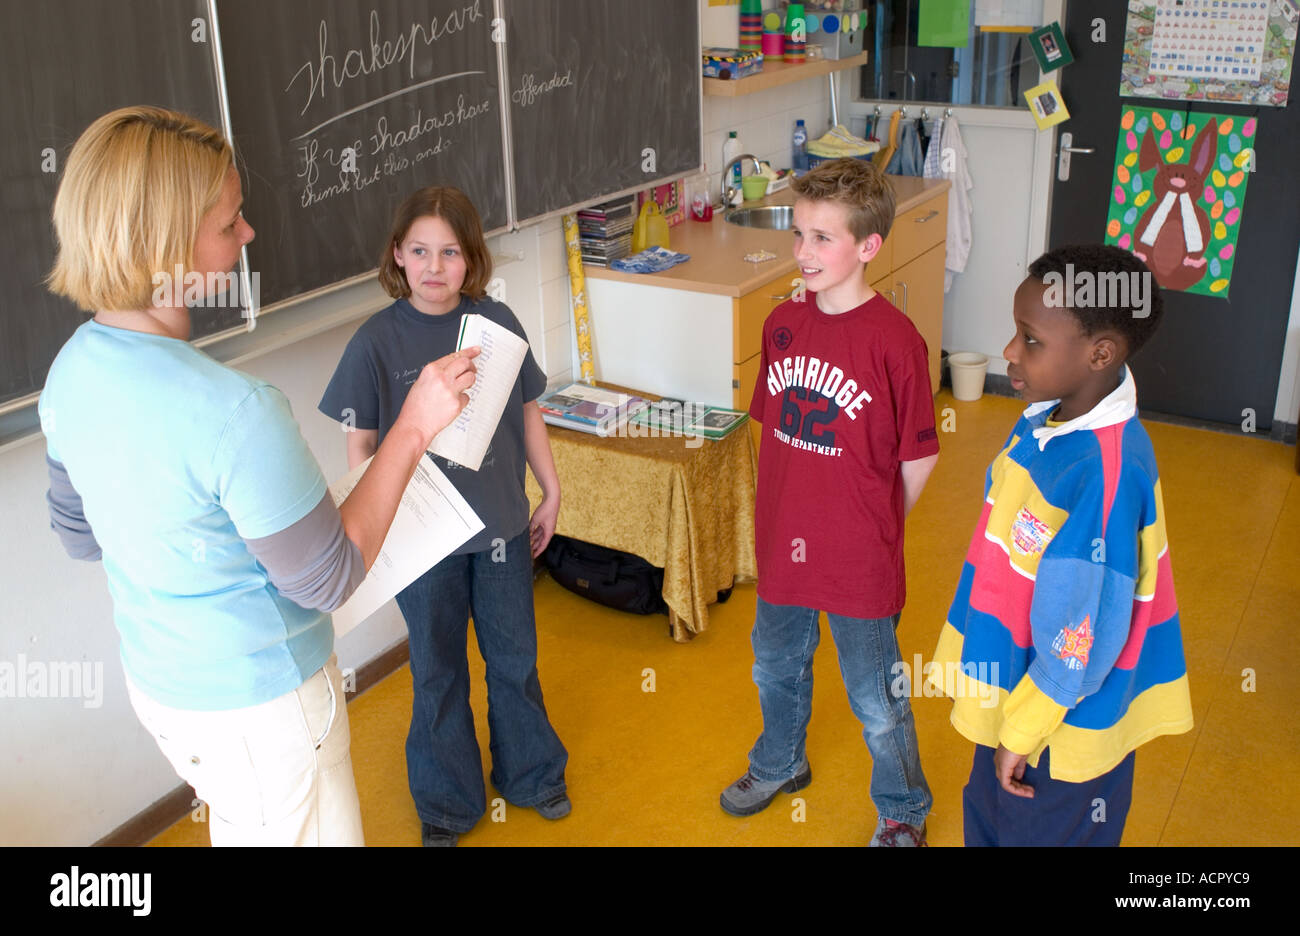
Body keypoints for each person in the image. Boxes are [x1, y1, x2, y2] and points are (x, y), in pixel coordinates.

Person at [38, 106, 478, 846]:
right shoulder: (234, 411)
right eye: (228, 223)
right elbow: (330, 580)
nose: (247, 236)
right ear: (165, 244)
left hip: (166, 691)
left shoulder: (70, 374)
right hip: (261, 710)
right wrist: (412, 427)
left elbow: (82, 538)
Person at [319, 186, 568, 847]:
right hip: (420, 542)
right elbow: (360, 449)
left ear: (471, 257)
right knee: (437, 669)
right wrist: (370, 539)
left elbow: (527, 411)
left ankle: (534, 774)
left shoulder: (498, 324)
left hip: (502, 532)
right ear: (398, 255)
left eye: (451, 252)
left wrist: (551, 489)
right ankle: (449, 805)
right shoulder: (376, 341)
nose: (435, 266)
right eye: (421, 251)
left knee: (513, 657)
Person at [928, 244, 1193, 846]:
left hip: (1054, 731)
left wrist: (1023, 733)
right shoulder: (1049, 414)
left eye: (1031, 339)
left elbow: (1084, 635)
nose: (1010, 351)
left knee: (1031, 832)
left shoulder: (1104, 474)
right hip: (1017, 701)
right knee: (990, 821)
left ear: (1101, 353)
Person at [723, 157, 939, 846]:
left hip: (858, 555)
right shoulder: (782, 324)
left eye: (823, 238)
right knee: (774, 664)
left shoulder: (896, 343)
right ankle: (780, 761)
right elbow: (773, 430)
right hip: (786, 540)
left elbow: (921, 454)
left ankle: (903, 807)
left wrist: (877, 526)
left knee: (877, 697)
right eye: (799, 233)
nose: (804, 252)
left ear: (868, 247)